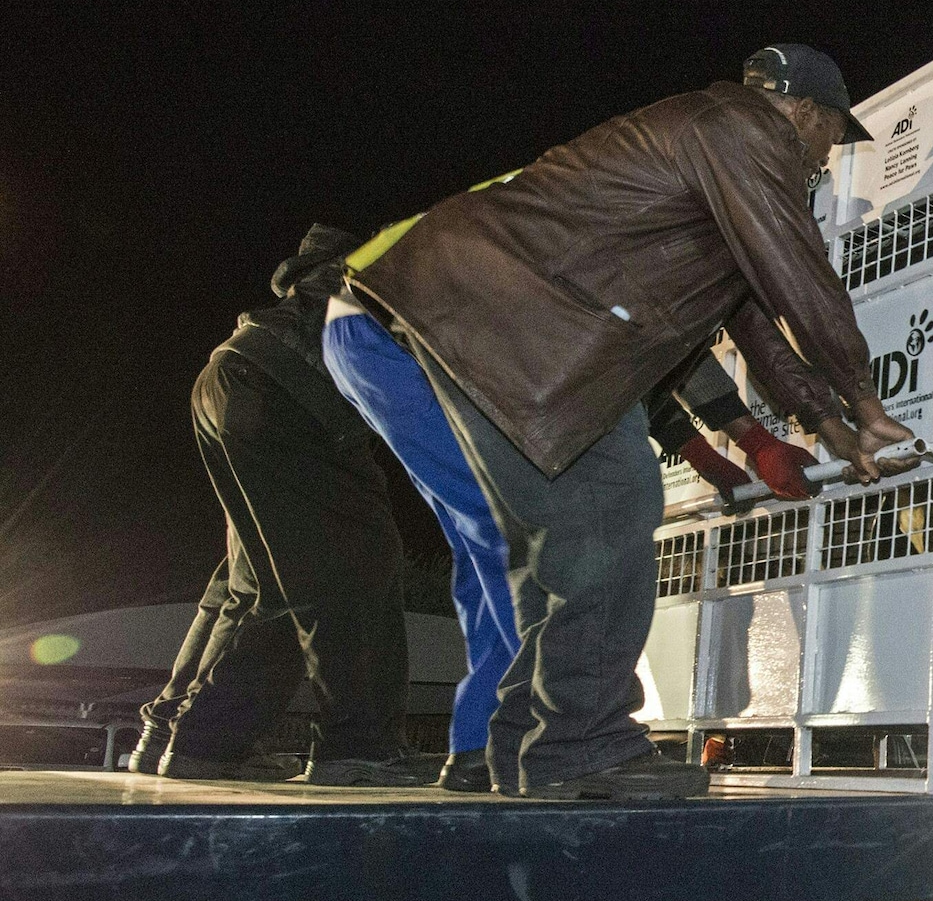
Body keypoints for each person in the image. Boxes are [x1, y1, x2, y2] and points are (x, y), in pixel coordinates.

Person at [346, 44, 911, 799]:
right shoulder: (742, 129)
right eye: (832, 139)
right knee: (608, 510)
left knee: (577, 531)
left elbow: (754, 321)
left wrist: (830, 426)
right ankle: (576, 745)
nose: (827, 159)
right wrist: (867, 404)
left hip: (506, 326)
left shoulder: (711, 143)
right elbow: (798, 275)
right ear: (806, 112)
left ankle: (526, 744)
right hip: (517, 325)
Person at [327, 290, 818, 794]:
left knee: (489, 534)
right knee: (542, 527)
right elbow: (647, 351)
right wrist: (765, 436)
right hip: (442, 319)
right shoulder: (653, 244)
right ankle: (571, 743)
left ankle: (500, 740)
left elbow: (644, 363)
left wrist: (726, 450)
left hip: (383, 325)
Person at [129, 226, 426, 786]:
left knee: (253, 576)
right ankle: (357, 747)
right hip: (285, 396)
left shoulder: (316, 286)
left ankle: (180, 736)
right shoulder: (394, 267)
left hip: (232, 376)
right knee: (353, 561)